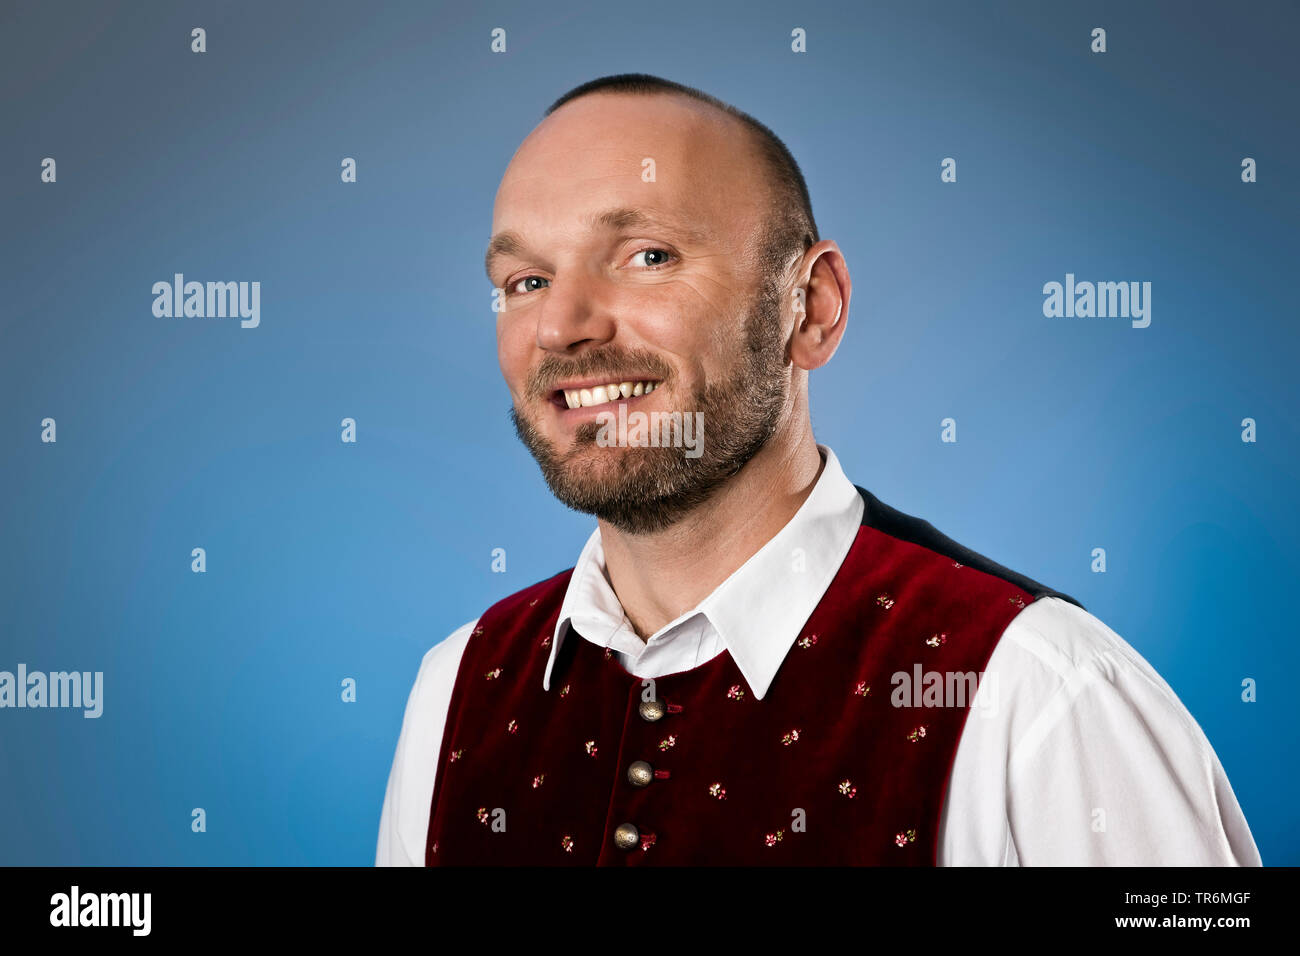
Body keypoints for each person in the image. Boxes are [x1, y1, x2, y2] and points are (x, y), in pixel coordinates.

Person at [376, 73, 1260, 866]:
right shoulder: (455, 691)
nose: (564, 326)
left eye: (648, 257)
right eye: (526, 280)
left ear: (813, 307)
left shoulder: (1041, 697)